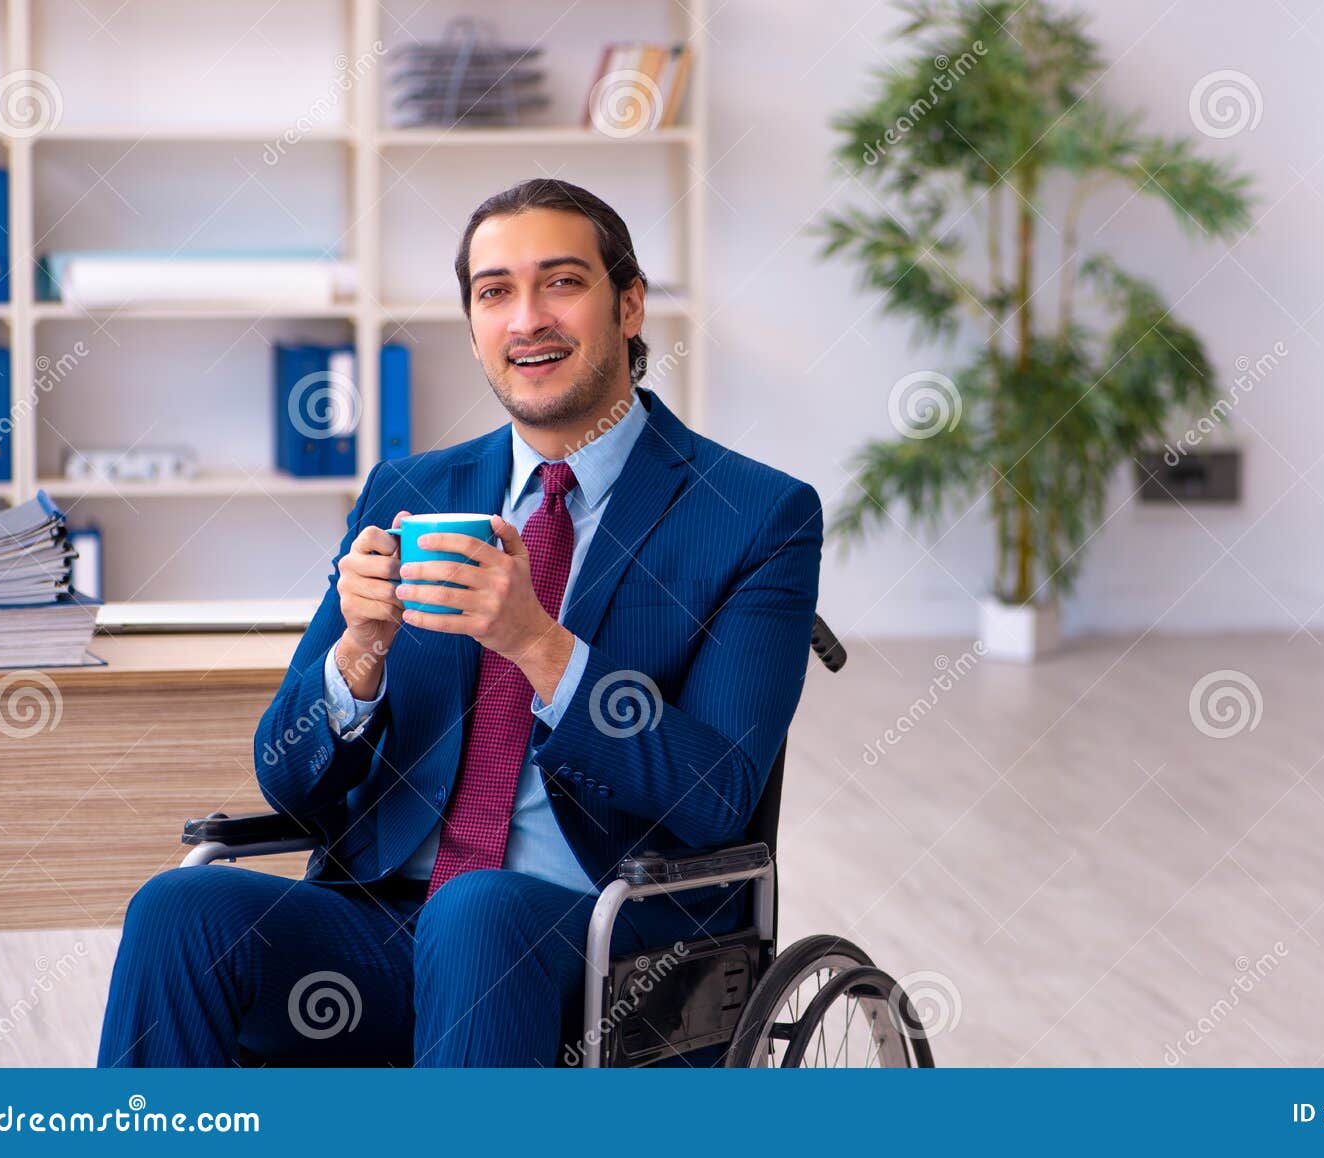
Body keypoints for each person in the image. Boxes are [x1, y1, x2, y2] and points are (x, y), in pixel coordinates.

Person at [98, 178, 823, 1067]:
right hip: (382, 927)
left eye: (561, 283)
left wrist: (539, 646)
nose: (527, 319)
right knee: (180, 910)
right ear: (474, 324)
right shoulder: (411, 495)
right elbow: (288, 781)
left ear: (629, 305)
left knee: (477, 911)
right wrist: (358, 654)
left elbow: (713, 800)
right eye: (494, 293)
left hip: (606, 942)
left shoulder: (754, 514)